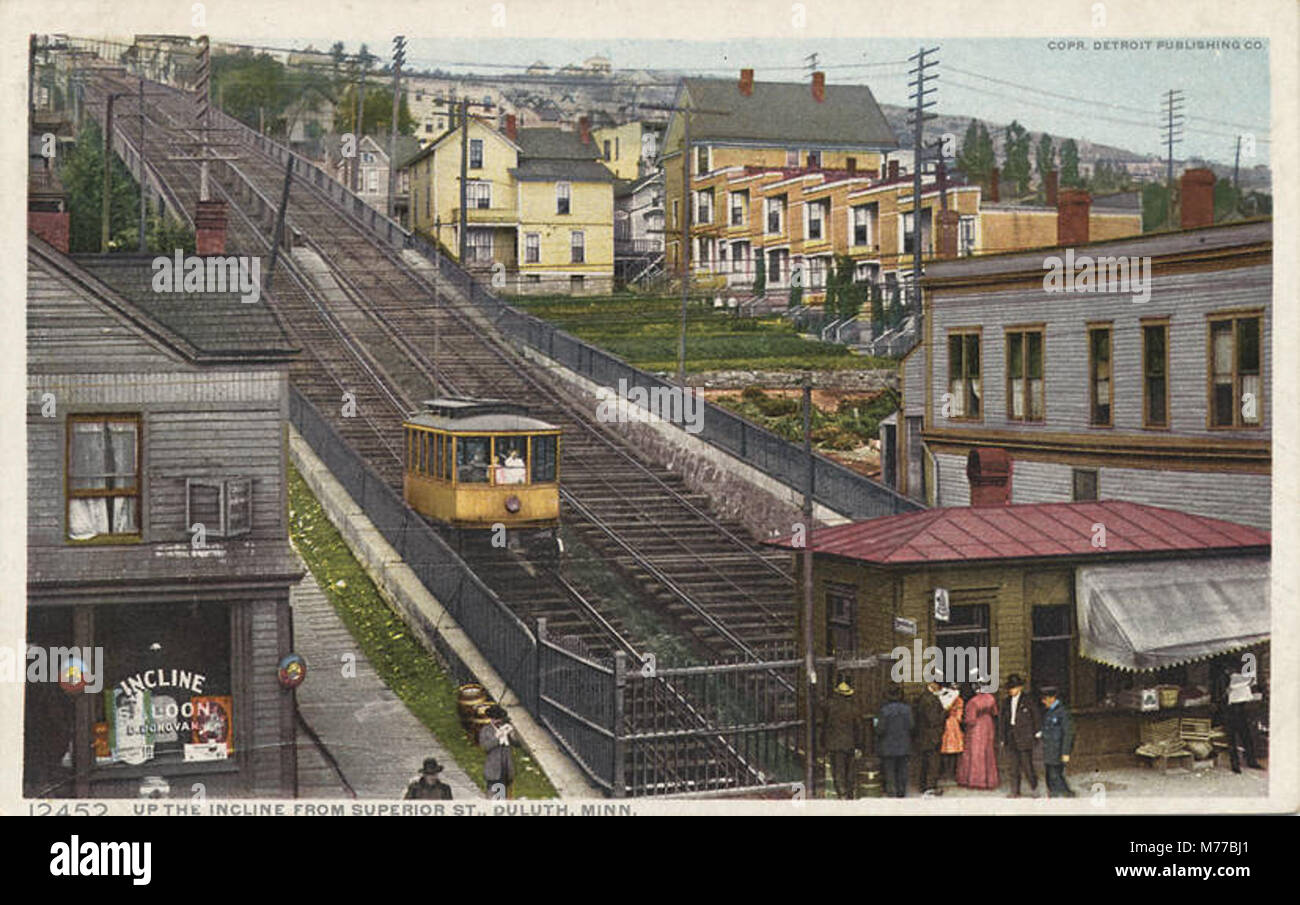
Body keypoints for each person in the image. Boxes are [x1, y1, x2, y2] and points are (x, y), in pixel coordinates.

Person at [821, 679, 863, 800]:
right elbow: (859, 728)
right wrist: (859, 745)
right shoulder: (853, 708)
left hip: (834, 745)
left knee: (838, 771)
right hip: (850, 744)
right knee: (849, 771)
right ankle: (849, 794)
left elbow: (820, 704)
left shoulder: (830, 706)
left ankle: (842, 794)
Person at [999, 674, 1040, 797]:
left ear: (1020, 688)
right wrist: (1002, 737)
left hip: (1024, 736)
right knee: (1013, 766)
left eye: (1014, 688)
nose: (1012, 690)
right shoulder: (1006, 702)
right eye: (1010, 688)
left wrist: (1037, 732)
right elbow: (1002, 721)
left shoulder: (1028, 700)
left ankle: (1034, 787)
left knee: (1027, 765)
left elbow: (1036, 716)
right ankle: (1015, 791)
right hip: (1011, 735)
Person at [1218, 662, 1263, 773]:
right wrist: (1227, 692)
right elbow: (1220, 696)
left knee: (1246, 737)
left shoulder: (1239, 678)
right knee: (1232, 739)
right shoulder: (1222, 679)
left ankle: (1251, 761)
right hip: (1229, 712)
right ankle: (1235, 765)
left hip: (1241, 711)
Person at [958, 676, 999, 790]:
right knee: (987, 752)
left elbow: (970, 719)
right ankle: (989, 780)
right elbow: (995, 712)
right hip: (988, 725)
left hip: (976, 728)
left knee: (975, 753)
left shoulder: (973, 702)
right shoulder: (991, 698)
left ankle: (976, 780)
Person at [876, 685, 913, 798]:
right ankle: (901, 792)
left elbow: (880, 729)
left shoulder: (884, 710)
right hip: (904, 744)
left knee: (889, 770)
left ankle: (891, 792)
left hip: (888, 744)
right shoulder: (907, 709)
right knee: (902, 770)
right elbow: (911, 725)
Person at [1038, 686, 1075, 798]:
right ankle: (1063, 794)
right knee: (1051, 775)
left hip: (1058, 750)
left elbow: (1068, 734)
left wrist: (1065, 753)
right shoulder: (1048, 711)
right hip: (1049, 749)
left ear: (1052, 698)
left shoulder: (1063, 712)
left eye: (1045, 699)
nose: (1043, 702)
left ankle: (1063, 795)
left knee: (1055, 775)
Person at [914, 681, 947, 795]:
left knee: (925, 762)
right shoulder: (930, 700)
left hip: (924, 735)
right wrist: (945, 711)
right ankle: (930, 787)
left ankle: (924, 786)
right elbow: (934, 719)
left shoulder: (923, 697)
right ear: (934, 685)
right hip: (931, 736)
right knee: (933, 763)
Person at [479, 705, 518, 798]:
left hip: (506, 768)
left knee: (507, 795)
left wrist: (511, 734)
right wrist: (497, 738)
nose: (498, 722)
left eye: (500, 719)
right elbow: (485, 747)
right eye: (496, 719)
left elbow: (517, 744)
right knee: (495, 797)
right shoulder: (486, 730)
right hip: (494, 769)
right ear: (491, 719)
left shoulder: (505, 728)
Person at [938, 682, 964, 784]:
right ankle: (952, 773)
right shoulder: (958, 700)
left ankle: (944, 773)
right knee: (954, 750)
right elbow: (959, 715)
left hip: (944, 723)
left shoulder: (942, 697)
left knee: (944, 749)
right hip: (953, 724)